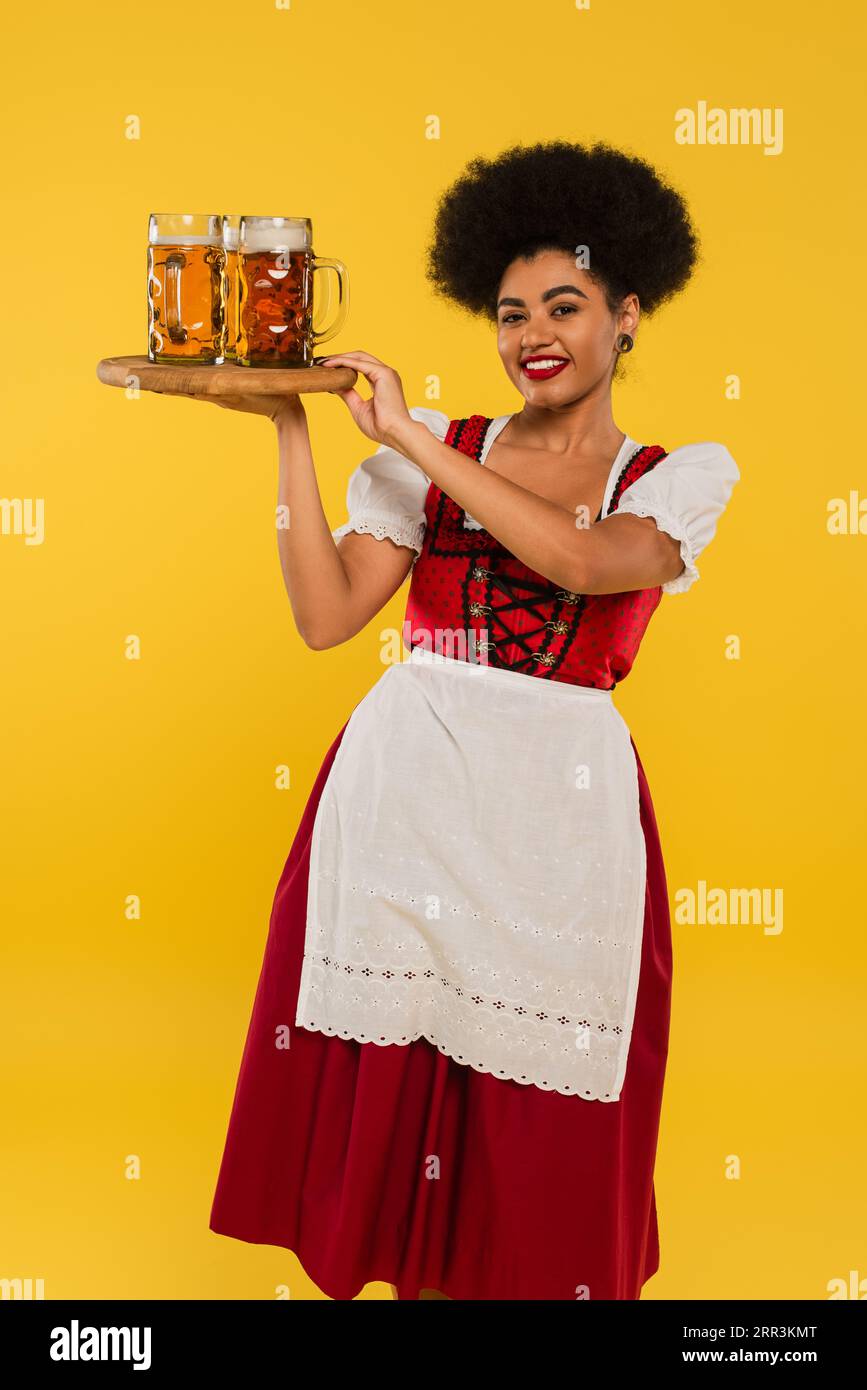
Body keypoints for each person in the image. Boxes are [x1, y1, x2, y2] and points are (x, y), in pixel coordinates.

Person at [200, 139, 739, 1300]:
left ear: (628, 314)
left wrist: (406, 437)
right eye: (509, 312)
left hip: (560, 820)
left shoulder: (673, 473)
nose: (533, 333)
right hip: (410, 788)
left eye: (565, 304)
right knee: (403, 1087)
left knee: (540, 1116)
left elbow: (589, 566)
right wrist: (289, 426)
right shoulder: (441, 446)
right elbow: (327, 613)